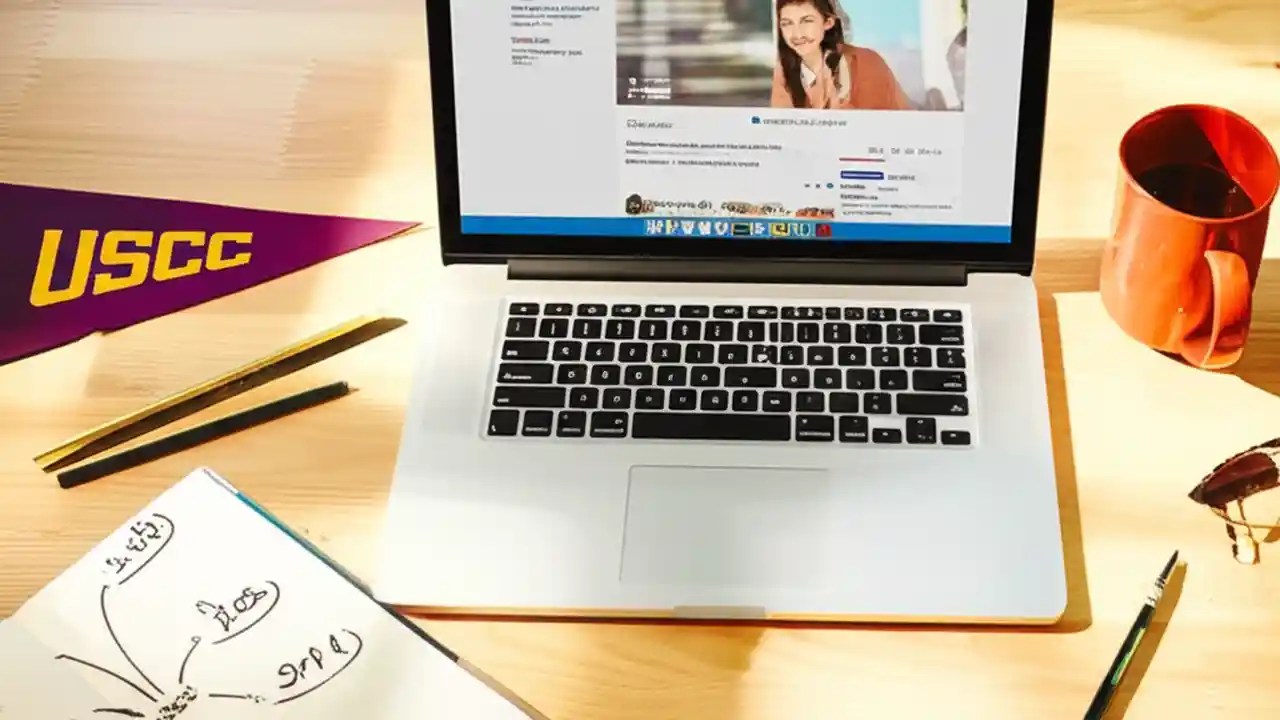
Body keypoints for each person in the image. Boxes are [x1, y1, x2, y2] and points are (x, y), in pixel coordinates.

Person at [770, 0, 912, 111]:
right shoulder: (784, 69)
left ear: (828, 22)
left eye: (807, 21)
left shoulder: (866, 62)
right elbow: (780, 130)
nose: (797, 34)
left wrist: (833, 98)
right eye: (787, 24)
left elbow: (873, 128)